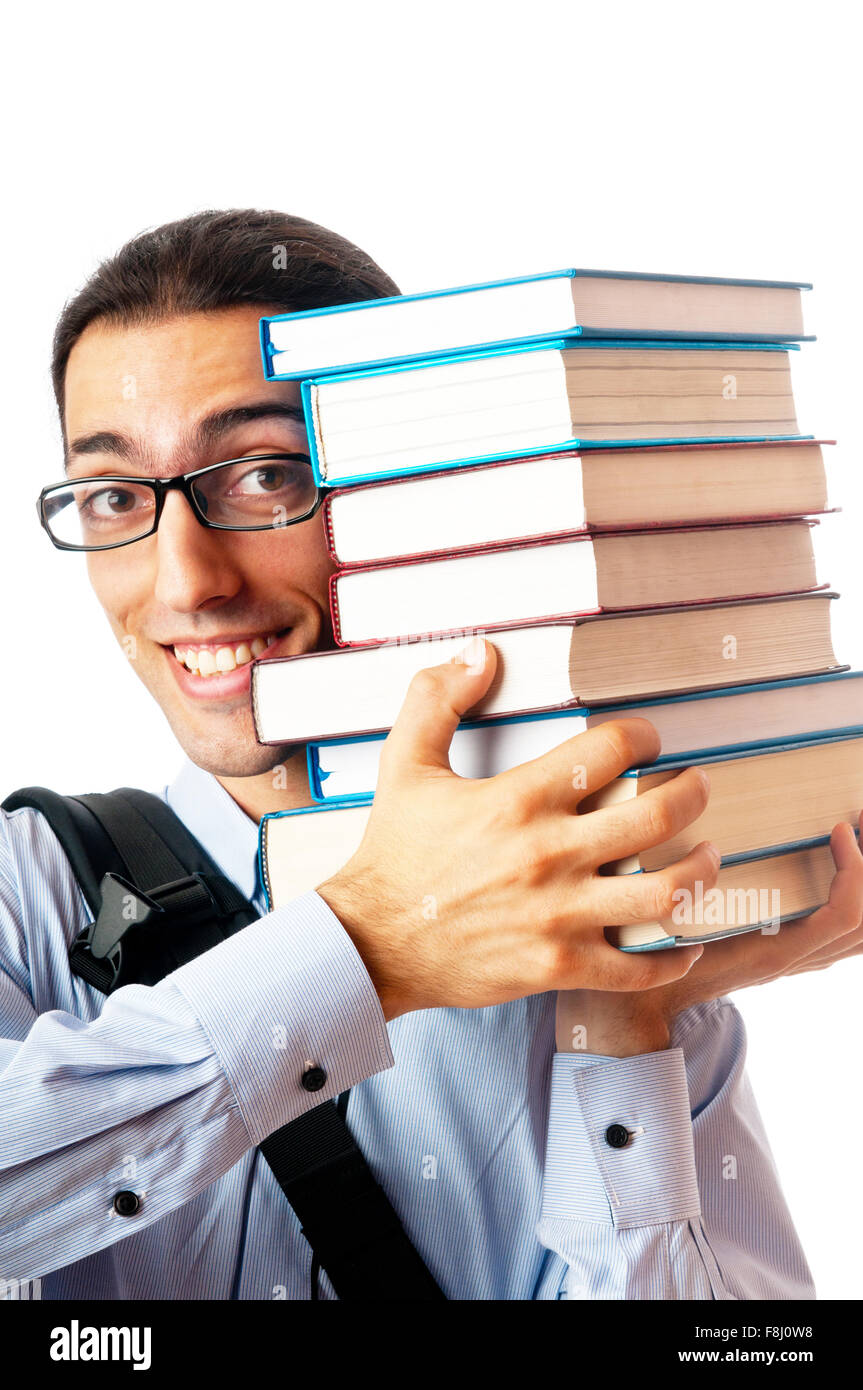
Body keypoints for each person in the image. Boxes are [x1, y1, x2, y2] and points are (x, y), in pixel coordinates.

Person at [1, 210, 861, 1301]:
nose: (184, 582)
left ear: (410, 487)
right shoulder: (24, 894)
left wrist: (621, 1032)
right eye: (116, 496)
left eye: (263, 475)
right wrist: (367, 951)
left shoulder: (593, 930)